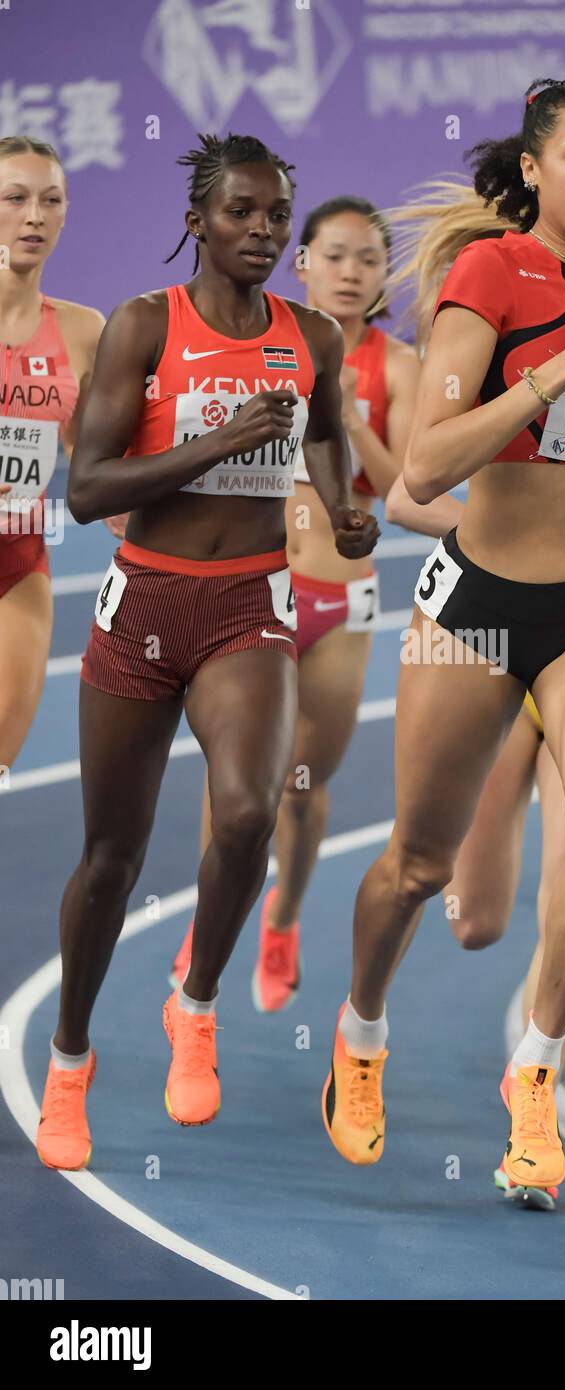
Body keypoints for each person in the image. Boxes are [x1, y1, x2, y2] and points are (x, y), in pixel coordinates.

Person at [319, 78, 565, 1204]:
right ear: (533, 170)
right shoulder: (486, 277)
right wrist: (556, 369)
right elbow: (429, 464)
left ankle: (534, 1072)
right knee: (417, 868)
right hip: (477, 605)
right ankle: (358, 1032)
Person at [36, 133, 378, 1171]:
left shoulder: (309, 334)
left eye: (276, 214)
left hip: (247, 607)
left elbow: (322, 433)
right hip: (142, 602)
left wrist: (340, 503)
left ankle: (195, 1002)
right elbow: (89, 490)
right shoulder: (148, 325)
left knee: (243, 811)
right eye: (240, 212)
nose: (262, 231)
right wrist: (220, 443)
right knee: (112, 859)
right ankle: (71, 1057)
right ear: (197, 221)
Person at [169, 196, 458, 1009]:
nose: (351, 272)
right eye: (334, 256)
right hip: (253, 585)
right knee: (233, 778)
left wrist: (342, 411)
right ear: (302, 264)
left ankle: (285, 917)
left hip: (341, 597)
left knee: (300, 783)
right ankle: (207, 922)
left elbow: (411, 487)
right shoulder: (260, 341)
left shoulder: (395, 366)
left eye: (368, 260)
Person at [0, 136, 104, 772]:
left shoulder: (82, 329)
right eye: (15, 198)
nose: (34, 215)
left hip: (18, 563)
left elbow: (95, 463)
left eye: (51, 200)